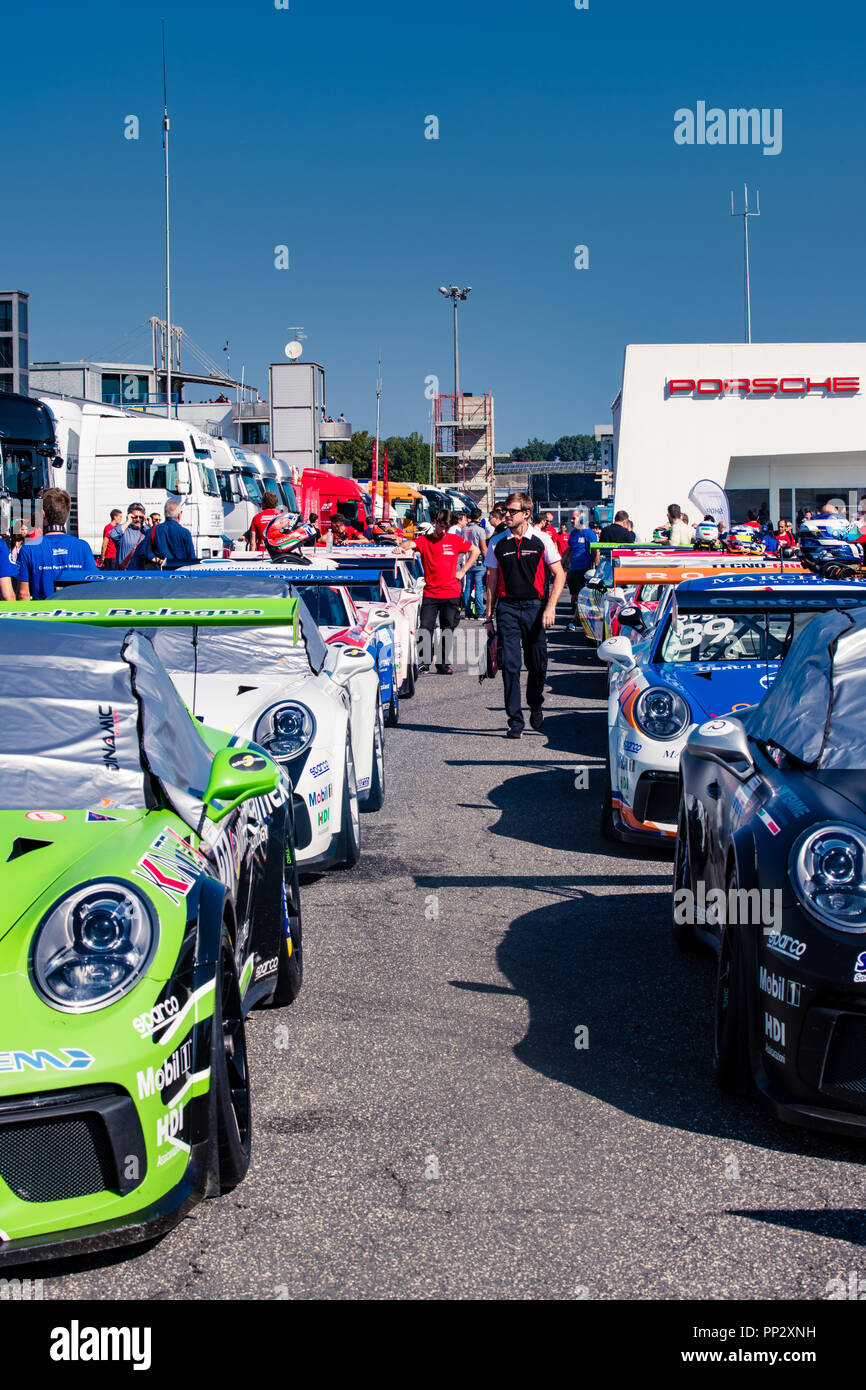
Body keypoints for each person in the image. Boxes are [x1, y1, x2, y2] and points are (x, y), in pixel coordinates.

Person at [483, 492, 566, 738]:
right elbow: (492, 581)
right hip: (507, 608)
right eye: (505, 511)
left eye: (512, 511)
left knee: (537, 665)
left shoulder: (541, 539)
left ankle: (536, 703)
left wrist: (550, 607)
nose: (506, 515)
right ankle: (515, 720)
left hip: (535, 608)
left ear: (526, 513)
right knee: (510, 665)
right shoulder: (498, 542)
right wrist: (488, 617)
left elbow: (559, 575)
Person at [403, 510, 478, 673]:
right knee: (425, 627)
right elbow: (410, 544)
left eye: (446, 527)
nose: (442, 531)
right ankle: (424, 661)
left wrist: (463, 571)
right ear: (435, 523)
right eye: (440, 526)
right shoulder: (425, 540)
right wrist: (400, 547)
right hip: (431, 593)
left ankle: (443, 663)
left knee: (447, 628)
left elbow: (475, 551)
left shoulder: (455, 540)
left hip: (451, 592)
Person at [17, 487, 98, 599]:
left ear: (42, 515)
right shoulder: (82, 546)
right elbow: (93, 585)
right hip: (75, 613)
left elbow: (23, 594)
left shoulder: (28, 549)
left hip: (42, 614)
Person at [565, 508, 599, 630]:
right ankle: (576, 616)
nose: (571, 520)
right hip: (573, 569)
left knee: (581, 595)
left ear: (582, 518)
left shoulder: (589, 534)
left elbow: (596, 551)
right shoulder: (573, 533)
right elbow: (569, 550)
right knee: (573, 595)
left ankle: (574, 621)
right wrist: (563, 564)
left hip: (584, 570)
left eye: (574, 518)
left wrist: (597, 569)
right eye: (571, 518)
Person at [151, 500, 199, 569]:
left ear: (165, 514)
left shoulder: (154, 530)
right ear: (179, 515)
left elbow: (145, 551)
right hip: (180, 572)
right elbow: (191, 558)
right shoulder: (185, 532)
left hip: (161, 572)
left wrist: (158, 561)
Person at [460, 511, 487, 618]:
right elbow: (483, 548)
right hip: (478, 561)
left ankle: (467, 611)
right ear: (480, 518)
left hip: (467, 560)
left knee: (468, 587)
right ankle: (480, 611)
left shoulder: (463, 530)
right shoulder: (480, 530)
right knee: (479, 588)